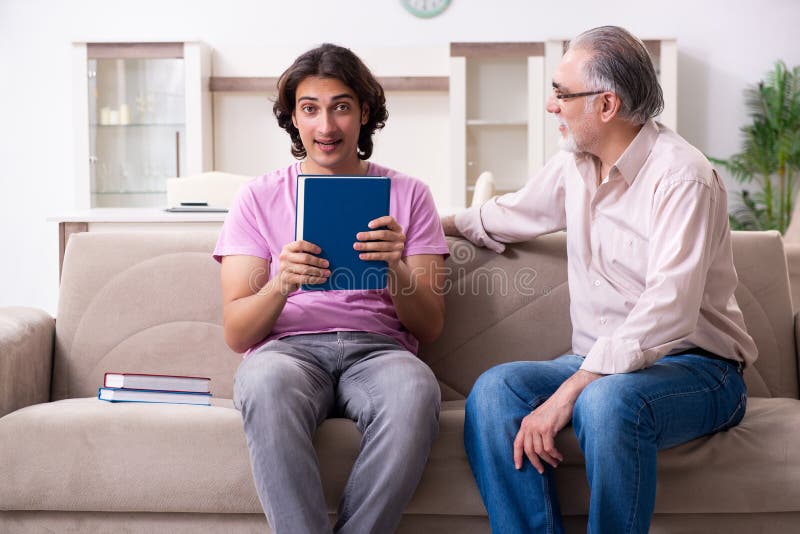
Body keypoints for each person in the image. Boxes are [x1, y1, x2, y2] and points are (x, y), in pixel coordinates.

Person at [441, 26, 757, 533]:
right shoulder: (574, 165)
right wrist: (423, 223)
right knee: (495, 391)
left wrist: (572, 390)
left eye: (562, 93)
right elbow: (508, 214)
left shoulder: (683, 177)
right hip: (596, 363)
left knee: (607, 402)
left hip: (699, 368)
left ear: (606, 104)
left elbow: (670, 308)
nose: (552, 105)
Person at [214, 43, 449, 534]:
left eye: (341, 107)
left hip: (379, 352)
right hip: (287, 351)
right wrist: (282, 281)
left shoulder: (409, 194)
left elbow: (429, 324)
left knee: (414, 388)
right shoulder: (257, 198)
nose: (326, 126)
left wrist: (395, 269)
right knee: (263, 382)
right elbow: (238, 332)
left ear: (365, 113)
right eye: (310, 109)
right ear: (293, 119)